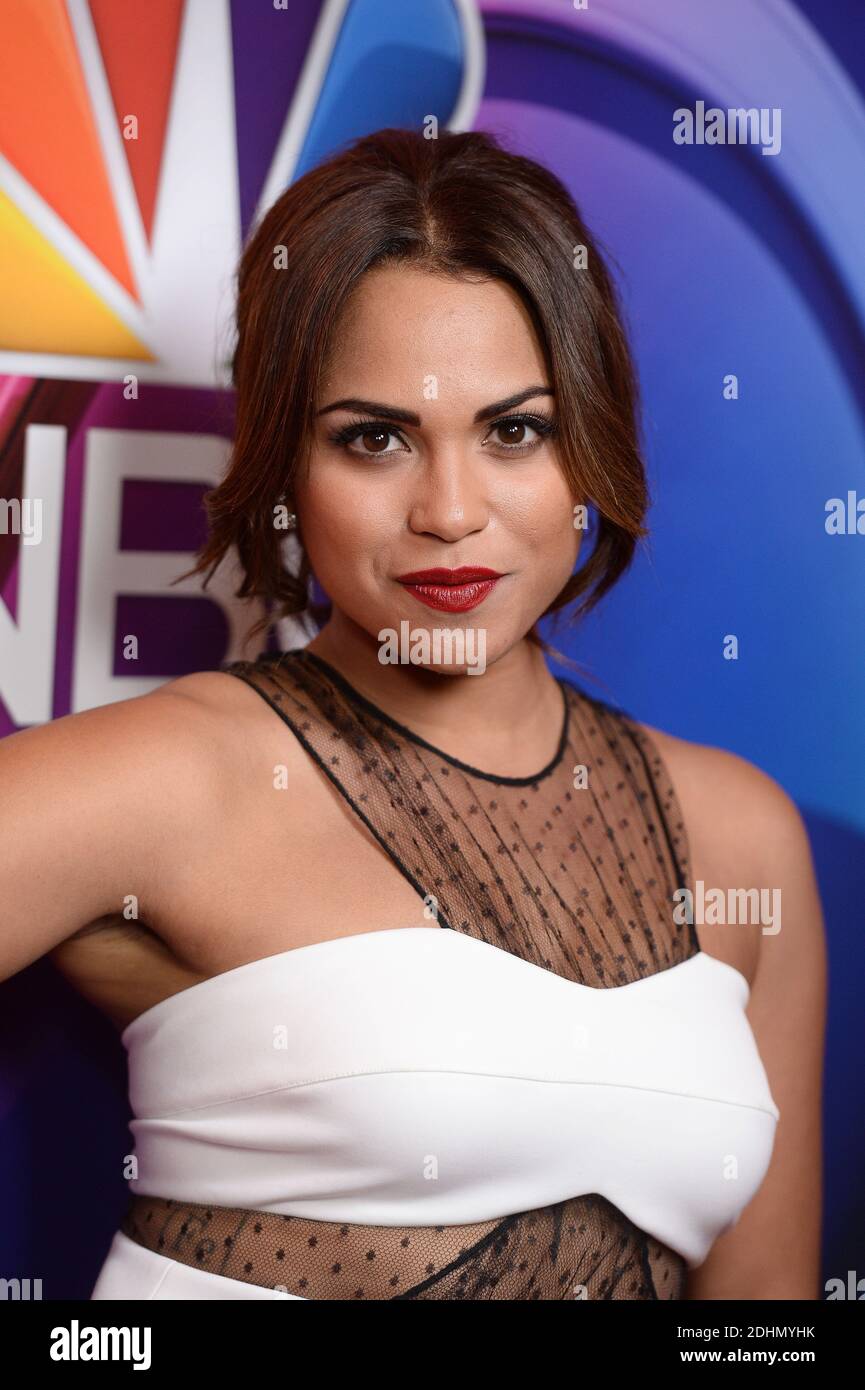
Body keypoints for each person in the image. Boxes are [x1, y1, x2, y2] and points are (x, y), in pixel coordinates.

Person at [1, 128, 826, 1300]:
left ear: (586, 449)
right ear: (286, 462)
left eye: (513, 430)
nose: (448, 509)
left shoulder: (741, 835)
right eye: (374, 437)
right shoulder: (182, 772)